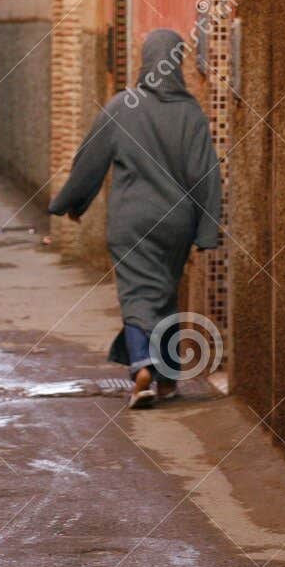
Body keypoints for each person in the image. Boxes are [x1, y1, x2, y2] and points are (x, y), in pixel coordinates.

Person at [47, 28, 223, 408]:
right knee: (163, 293)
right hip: (177, 222)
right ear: (177, 63)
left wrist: (71, 203)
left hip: (131, 221)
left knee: (136, 296)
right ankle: (166, 380)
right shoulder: (191, 113)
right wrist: (208, 231)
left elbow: (90, 160)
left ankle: (142, 367)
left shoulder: (122, 106)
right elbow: (206, 174)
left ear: (146, 62)